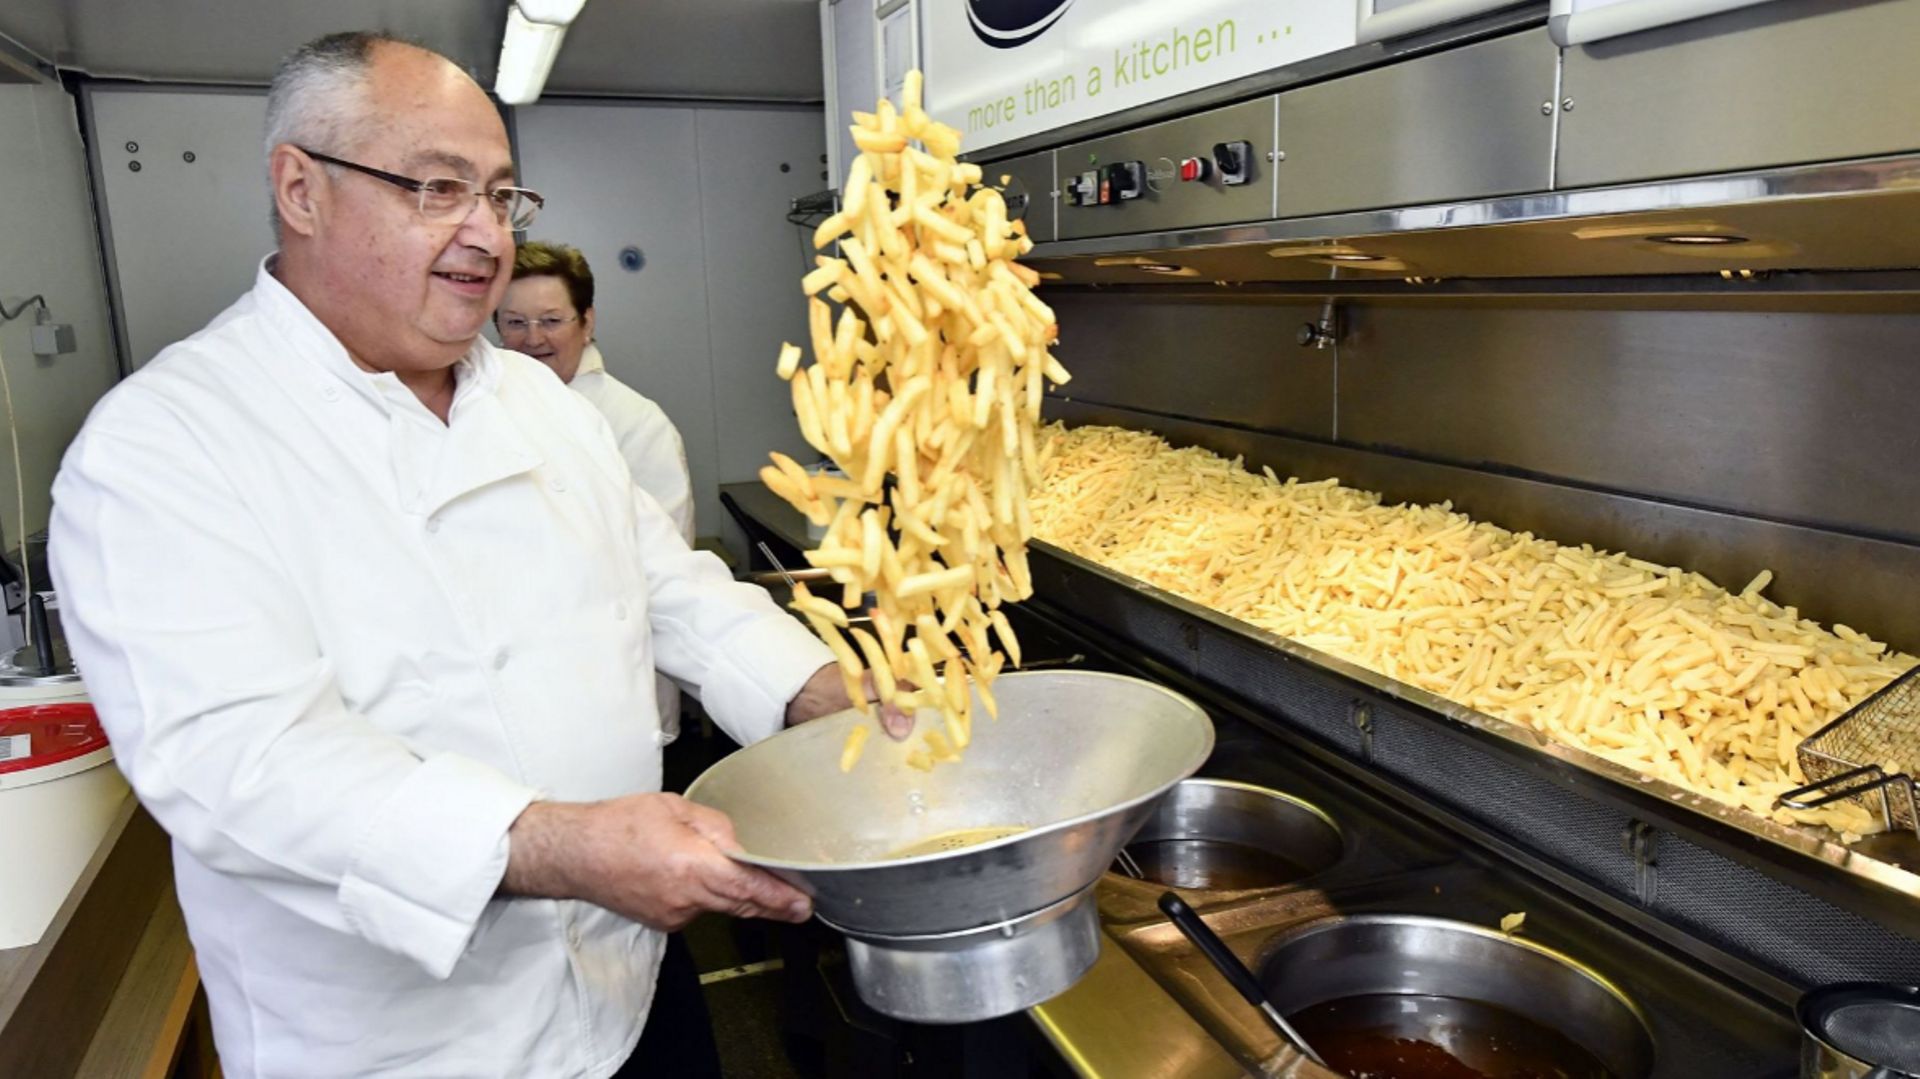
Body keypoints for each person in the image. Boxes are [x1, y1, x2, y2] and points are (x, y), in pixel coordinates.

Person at [49, 31, 906, 1079]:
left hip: (627, 981)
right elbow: (243, 762)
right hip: (409, 1044)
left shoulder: (536, 401)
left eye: (502, 197)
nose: (485, 236)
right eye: (438, 189)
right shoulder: (166, 444)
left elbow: (666, 582)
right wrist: (564, 845)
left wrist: (823, 687)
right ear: (300, 190)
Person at [498, 243, 693, 743]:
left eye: (551, 320)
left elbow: (664, 574)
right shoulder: (481, 413)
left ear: (587, 323)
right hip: (520, 694)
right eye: (514, 322)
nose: (532, 339)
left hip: (616, 688)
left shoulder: (636, 424)